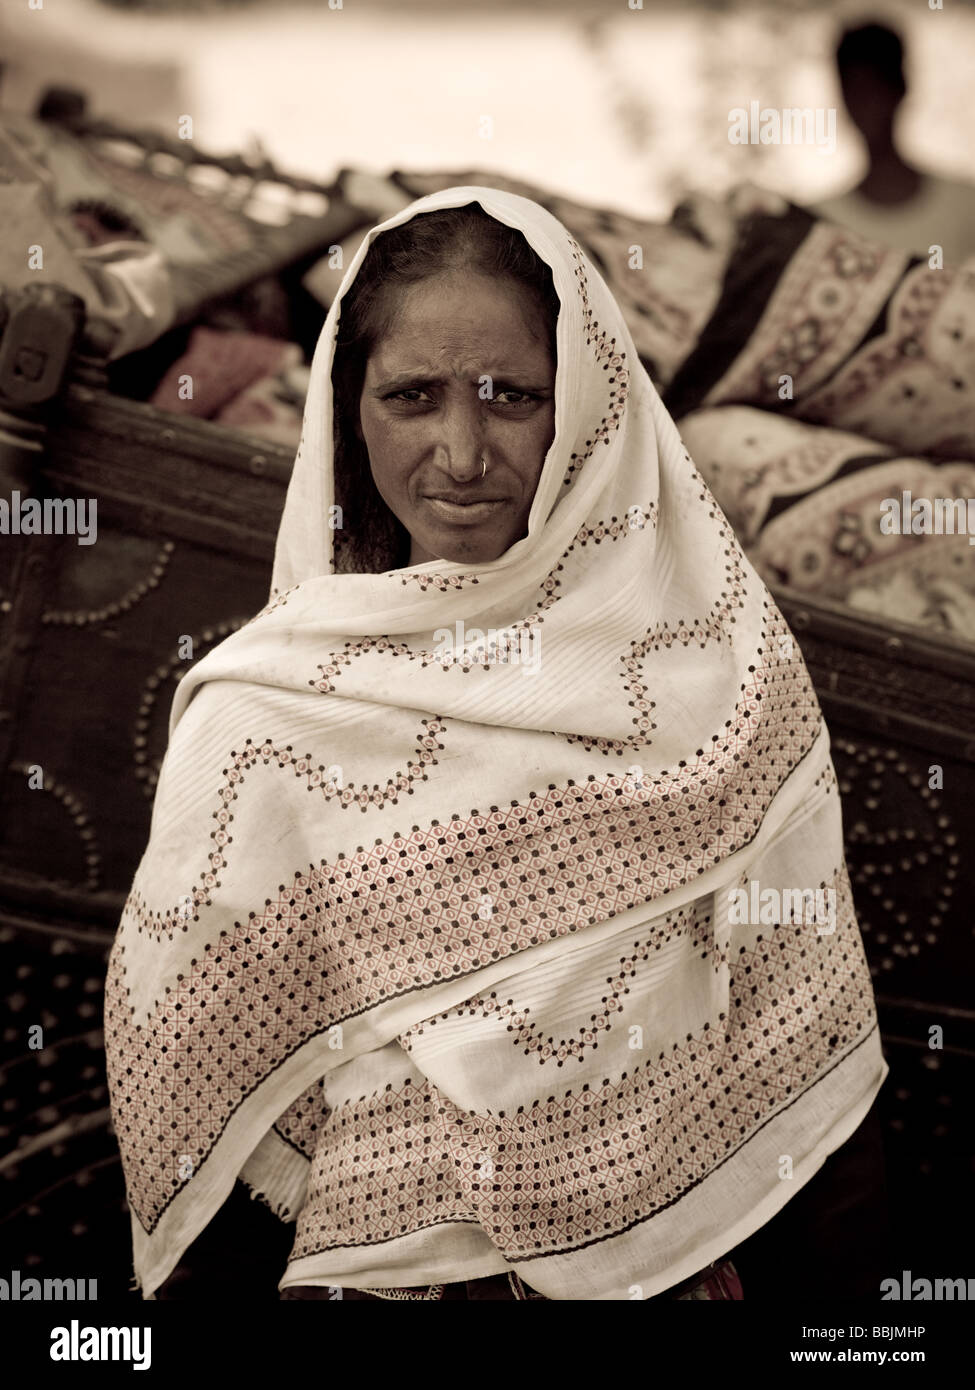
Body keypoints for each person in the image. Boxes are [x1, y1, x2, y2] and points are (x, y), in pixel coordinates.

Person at [104, 186, 891, 1301]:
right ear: (348, 410)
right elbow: (196, 1091)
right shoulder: (263, 718)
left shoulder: (721, 674)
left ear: (591, 405)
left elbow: (806, 1084)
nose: (462, 454)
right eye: (410, 397)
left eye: (513, 397)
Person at [812, 20, 975, 265]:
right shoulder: (824, 224)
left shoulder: (965, 208)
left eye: (872, 87)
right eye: (852, 89)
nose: (863, 104)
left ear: (899, 87)